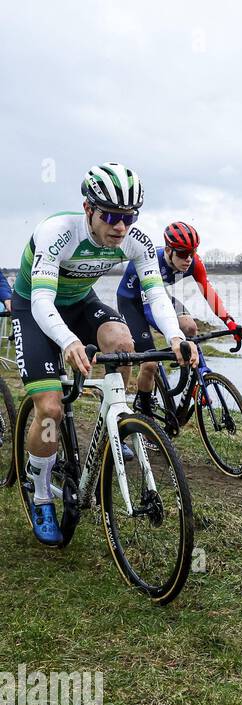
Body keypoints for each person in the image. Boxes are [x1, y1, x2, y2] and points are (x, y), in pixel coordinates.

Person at [10, 163, 196, 546]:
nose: (120, 226)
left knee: (123, 343)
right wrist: (69, 342)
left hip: (80, 302)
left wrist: (176, 336)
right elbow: (43, 298)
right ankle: (40, 490)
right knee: (50, 408)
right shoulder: (57, 233)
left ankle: (117, 417)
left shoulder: (135, 240)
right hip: (34, 306)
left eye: (128, 217)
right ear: (88, 209)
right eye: (110, 215)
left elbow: (155, 294)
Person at [116, 220, 242, 410]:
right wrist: (174, 338)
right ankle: (143, 403)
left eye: (192, 253)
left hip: (158, 295)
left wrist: (229, 323)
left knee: (191, 327)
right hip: (132, 302)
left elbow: (208, 293)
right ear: (169, 250)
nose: (189, 259)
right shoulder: (151, 260)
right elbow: (149, 310)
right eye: (184, 254)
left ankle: (195, 380)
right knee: (150, 364)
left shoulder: (193, 263)